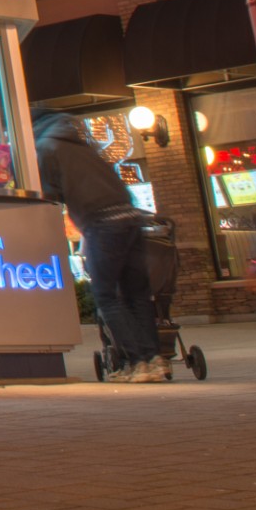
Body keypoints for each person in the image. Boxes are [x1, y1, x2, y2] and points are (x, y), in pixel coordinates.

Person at [33, 107, 163, 382]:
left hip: (102, 223)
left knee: (106, 296)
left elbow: (50, 195)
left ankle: (136, 363)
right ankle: (155, 359)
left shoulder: (46, 147)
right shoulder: (83, 144)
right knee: (137, 295)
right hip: (130, 216)